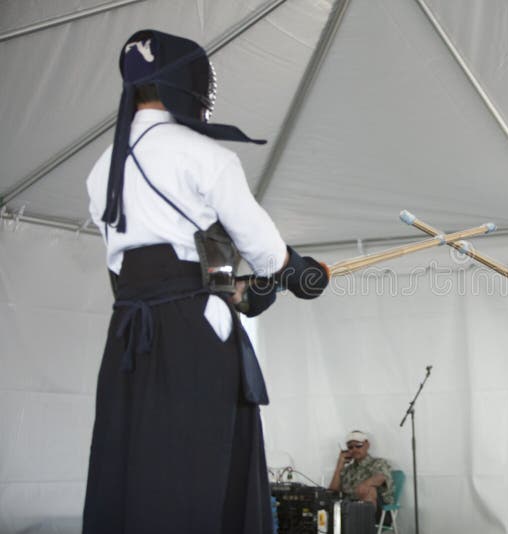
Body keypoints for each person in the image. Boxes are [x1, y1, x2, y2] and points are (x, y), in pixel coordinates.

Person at [83, 30, 329, 534]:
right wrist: (299, 275)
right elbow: (266, 251)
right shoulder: (204, 156)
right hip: (194, 341)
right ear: (187, 84)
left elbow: (140, 270)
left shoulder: (100, 169)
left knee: (137, 466)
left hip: (129, 337)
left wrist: (237, 292)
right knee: (199, 471)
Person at [329, 430, 394, 519]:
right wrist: (339, 465)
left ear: (367, 445)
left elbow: (381, 477)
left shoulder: (378, 463)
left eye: (358, 445)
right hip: (351, 510)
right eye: (350, 447)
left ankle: (363, 525)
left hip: (378, 512)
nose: (354, 449)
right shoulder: (348, 470)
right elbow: (332, 491)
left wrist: (365, 484)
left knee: (369, 489)